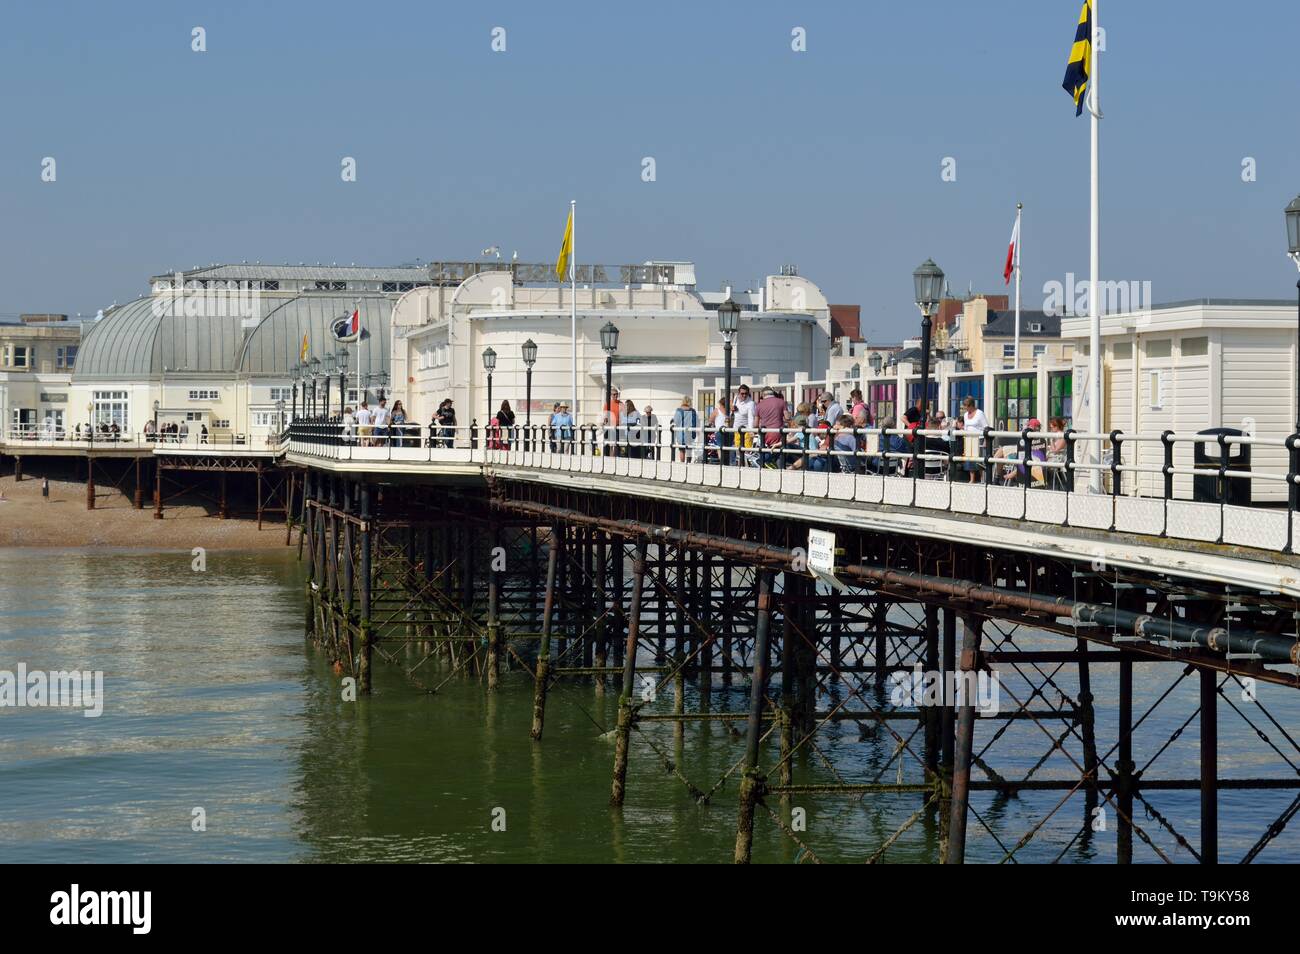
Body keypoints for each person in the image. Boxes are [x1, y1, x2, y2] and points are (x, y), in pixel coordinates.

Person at [956, 396, 990, 483]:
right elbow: (966, 427)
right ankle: (972, 479)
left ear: (971, 405)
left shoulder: (979, 413)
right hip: (969, 439)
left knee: (980, 461)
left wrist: (986, 440)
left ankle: (983, 480)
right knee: (970, 461)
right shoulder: (965, 415)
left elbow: (986, 427)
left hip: (979, 439)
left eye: (966, 406)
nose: (965, 408)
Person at [755, 386, 789, 468]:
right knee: (780, 452)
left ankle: (762, 462)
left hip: (766, 435)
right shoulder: (781, 402)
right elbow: (787, 417)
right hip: (779, 434)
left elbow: (755, 424)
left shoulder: (759, 405)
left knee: (767, 451)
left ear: (763, 395)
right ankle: (780, 471)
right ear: (773, 393)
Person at [732, 384, 757, 466]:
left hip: (746, 430)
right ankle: (739, 467)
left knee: (746, 452)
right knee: (738, 451)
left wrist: (751, 430)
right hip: (736, 429)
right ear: (738, 393)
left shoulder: (751, 403)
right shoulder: (735, 399)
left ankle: (746, 468)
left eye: (746, 393)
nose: (744, 395)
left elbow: (751, 418)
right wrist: (732, 409)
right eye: (742, 393)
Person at [672, 396, 697, 462]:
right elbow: (695, 422)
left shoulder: (679, 411)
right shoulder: (693, 411)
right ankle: (688, 463)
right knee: (689, 451)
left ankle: (682, 464)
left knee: (682, 451)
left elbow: (676, 421)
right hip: (690, 433)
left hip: (681, 433)